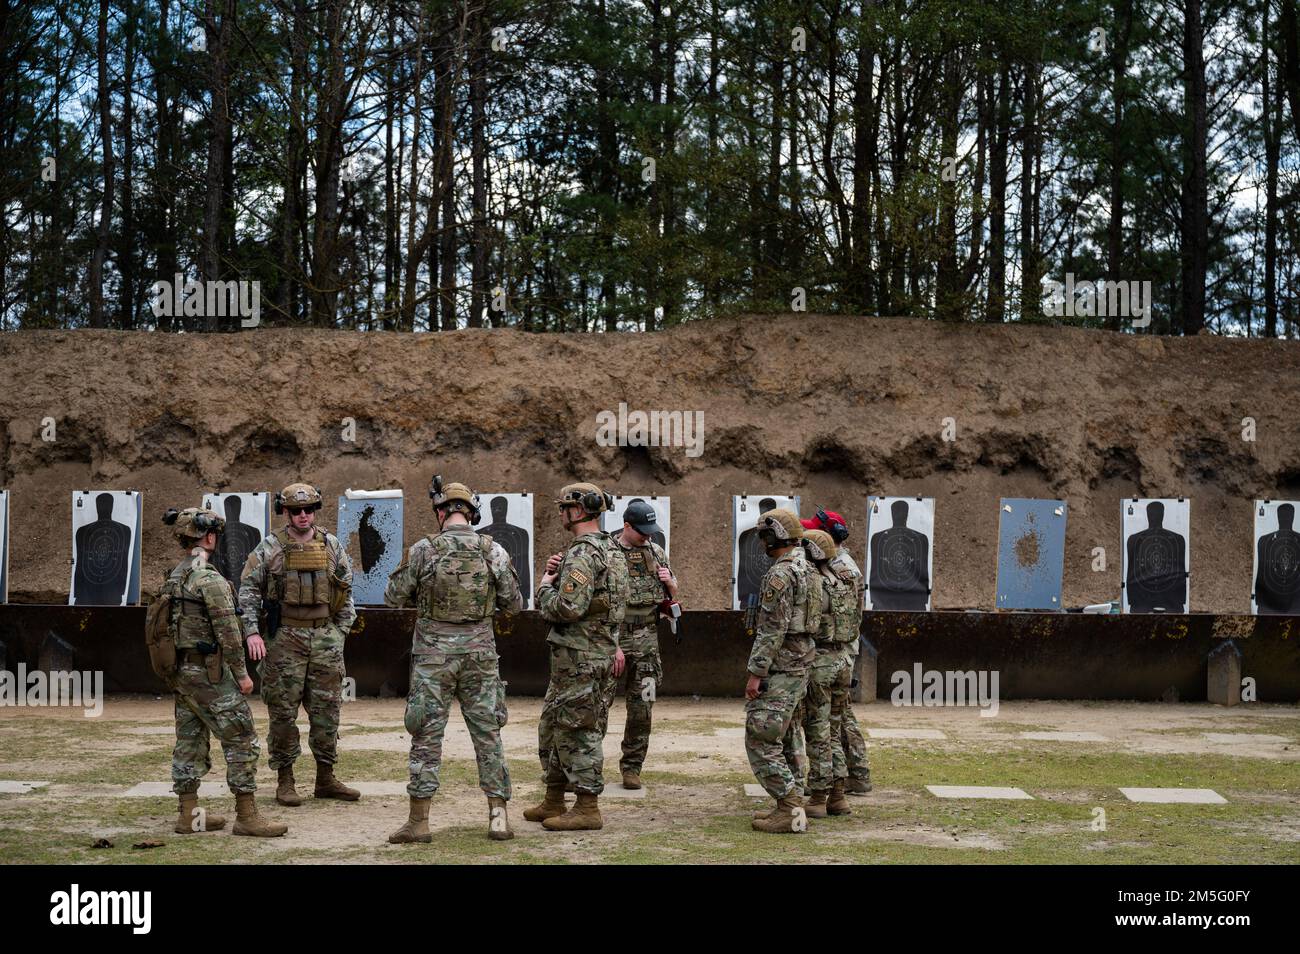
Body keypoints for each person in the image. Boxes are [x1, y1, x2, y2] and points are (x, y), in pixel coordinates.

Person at [384, 479, 522, 843]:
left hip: (433, 657)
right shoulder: (493, 550)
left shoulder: (424, 550)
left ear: (440, 511)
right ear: (471, 513)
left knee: (426, 735)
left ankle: (419, 821)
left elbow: (393, 596)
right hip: (480, 654)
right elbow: (514, 603)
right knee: (488, 734)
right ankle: (497, 816)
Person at [161, 506, 286, 837]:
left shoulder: (174, 576)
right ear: (211, 537)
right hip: (210, 674)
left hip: (181, 672)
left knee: (189, 739)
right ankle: (246, 816)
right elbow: (230, 633)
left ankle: (188, 814)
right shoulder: (209, 579)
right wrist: (243, 675)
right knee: (241, 737)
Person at [238, 482, 360, 806]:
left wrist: (339, 633)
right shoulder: (269, 548)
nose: (303, 515)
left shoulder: (332, 545)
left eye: (308, 510)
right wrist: (251, 632)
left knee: (327, 712)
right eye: (296, 511)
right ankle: (285, 779)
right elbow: (248, 591)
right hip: (285, 640)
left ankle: (326, 778)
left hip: (325, 639)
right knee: (282, 713)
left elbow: (346, 592)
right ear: (286, 513)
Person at [523, 482, 628, 831]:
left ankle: (587, 806)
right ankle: (554, 799)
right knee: (555, 726)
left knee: (578, 730)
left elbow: (568, 607)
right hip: (590, 654)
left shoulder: (584, 553)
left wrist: (544, 586)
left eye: (565, 507)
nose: (561, 513)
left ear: (579, 511)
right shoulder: (611, 549)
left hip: (580, 657)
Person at [744, 508, 822, 833]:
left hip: (782, 666)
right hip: (802, 662)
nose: (762, 541)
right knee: (788, 735)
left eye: (764, 535)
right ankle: (790, 807)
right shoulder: (810, 569)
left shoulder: (780, 574)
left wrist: (756, 672)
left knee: (760, 735)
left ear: (774, 536)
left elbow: (772, 629)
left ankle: (790, 808)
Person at [605, 499, 677, 789]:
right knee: (599, 704)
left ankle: (632, 767)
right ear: (626, 526)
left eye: (650, 530)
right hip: (613, 637)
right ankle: (586, 769)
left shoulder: (656, 552)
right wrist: (611, 643)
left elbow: (673, 595)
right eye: (642, 531)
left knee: (642, 707)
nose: (647, 536)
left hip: (647, 639)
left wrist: (670, 583)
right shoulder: (607, 553)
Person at [803, 509, 871, 793]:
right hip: (843, 649)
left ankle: (840, 778)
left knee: (832, 718)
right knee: (838, 715)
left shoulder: (835, 569)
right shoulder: (844, 565)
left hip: (833, 650)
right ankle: (854, 774)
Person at [798, 530, 855, 817]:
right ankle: (839, 795)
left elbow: (806, 624)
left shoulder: (813, 582)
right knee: (834, 728)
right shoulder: (845, 579)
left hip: (820, 660)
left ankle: (818, 797)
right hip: (844, 658)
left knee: (818, 731)